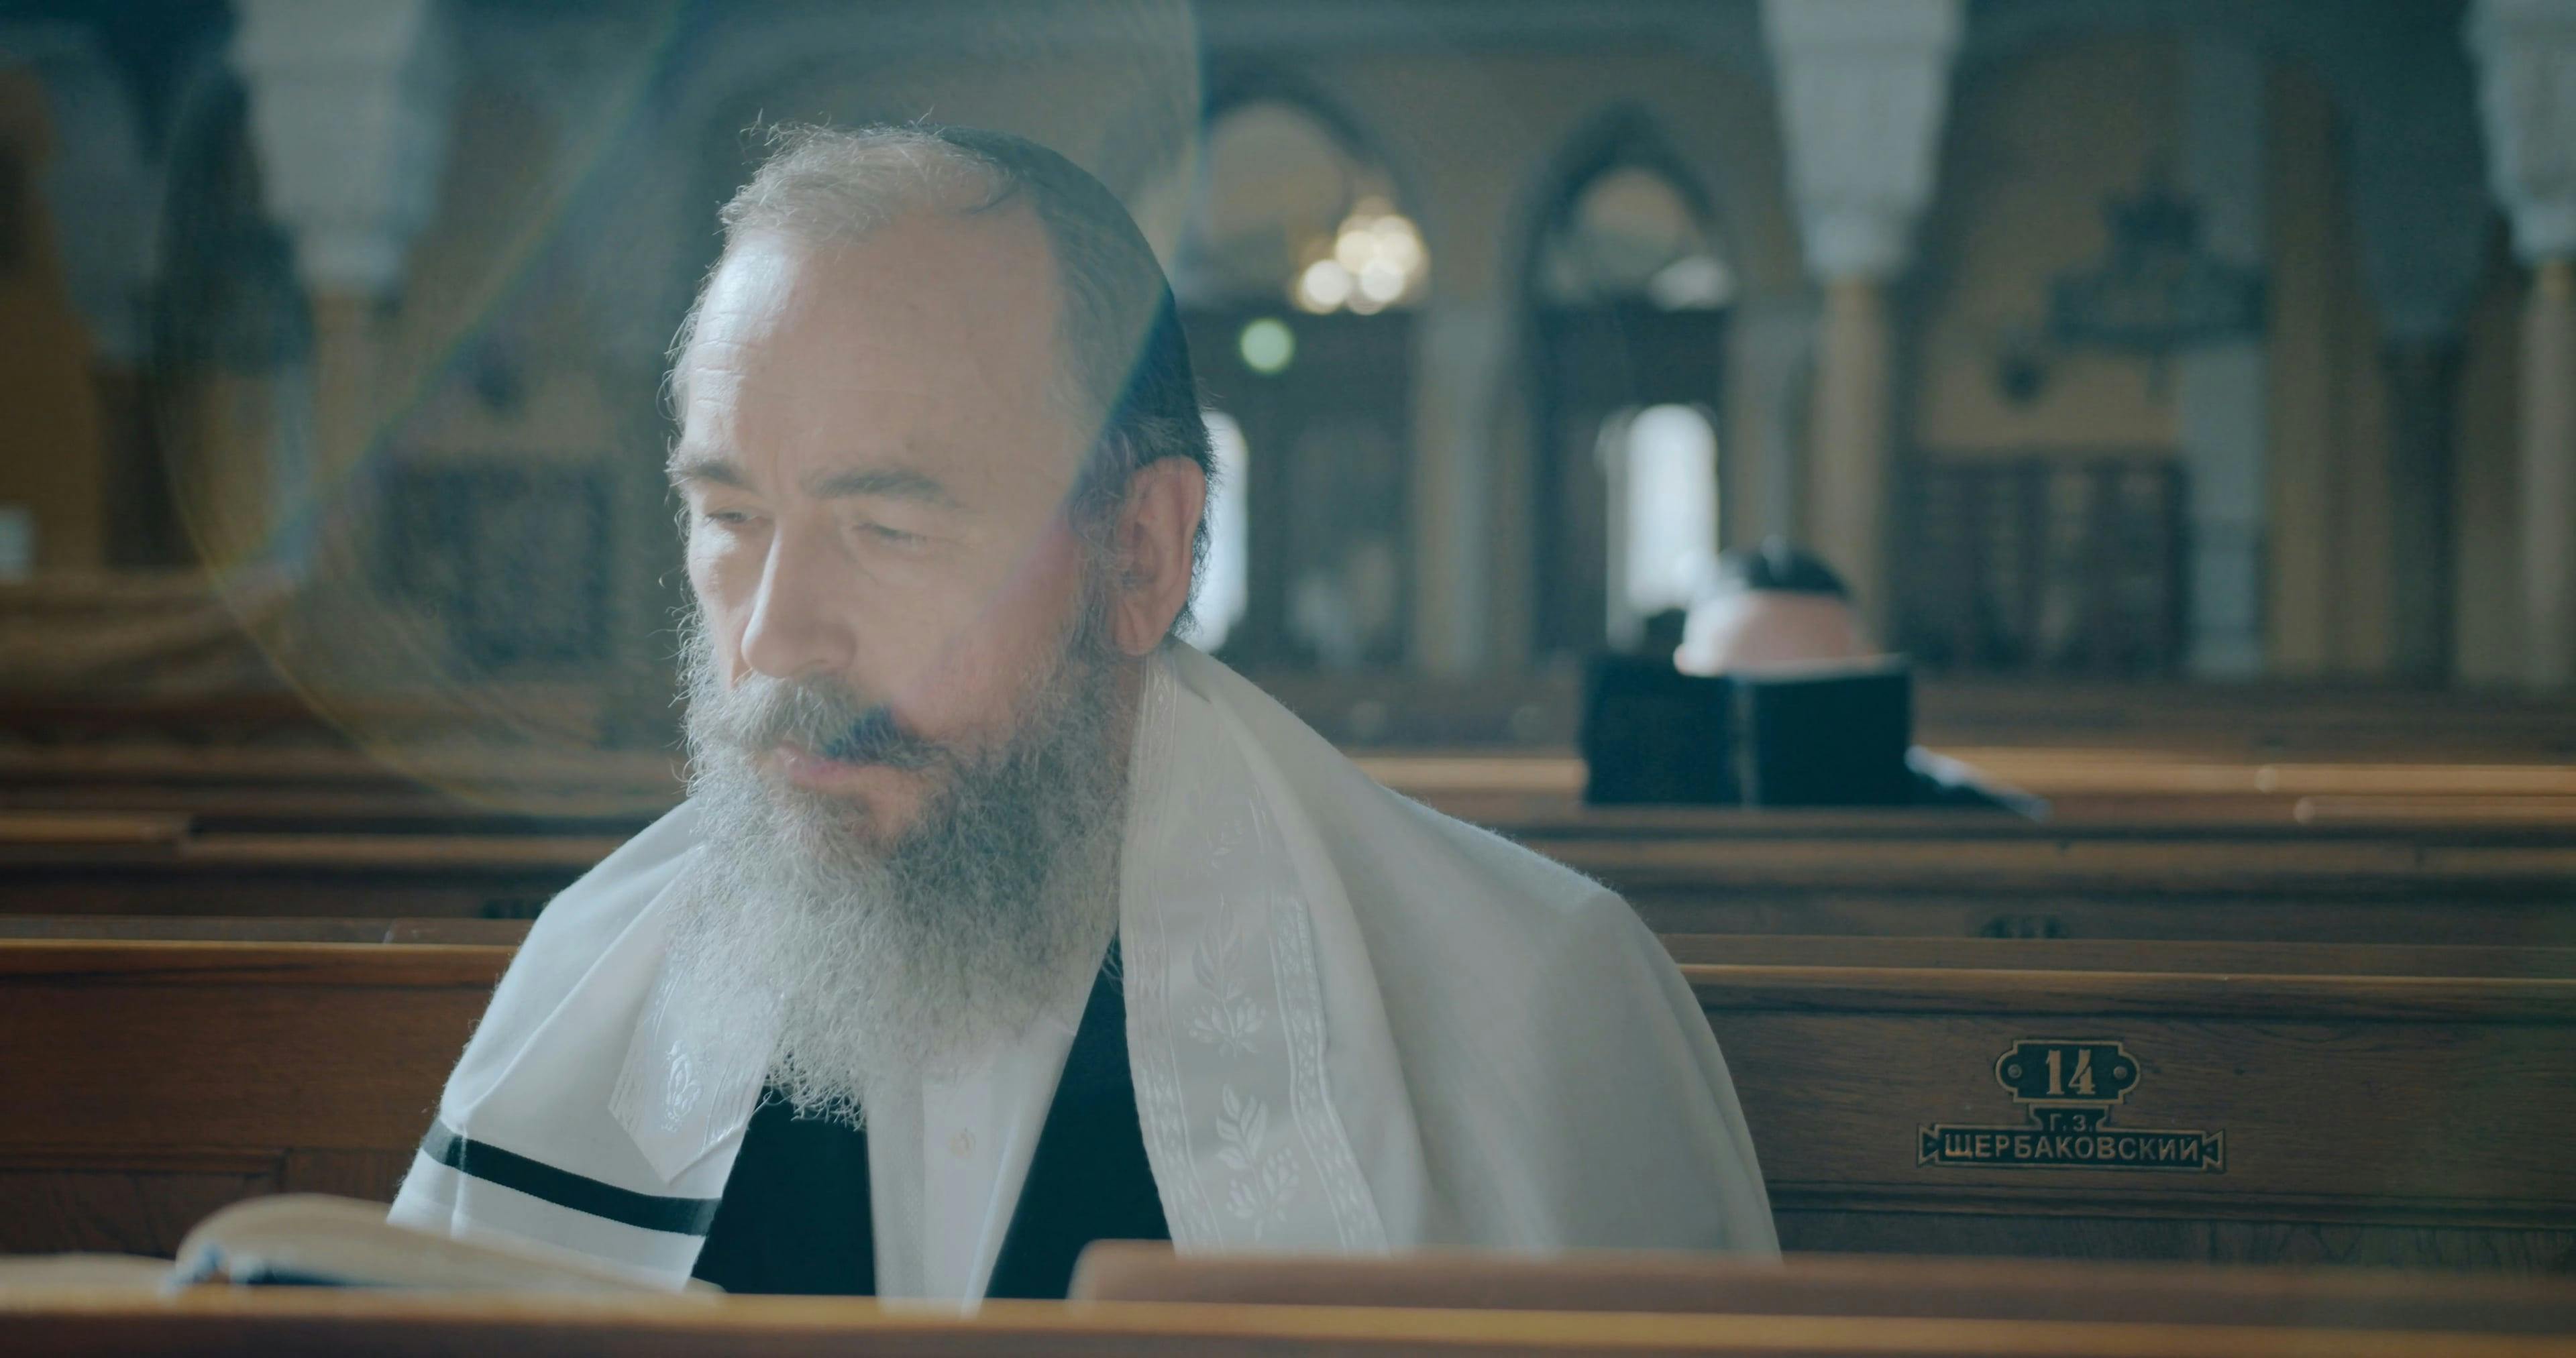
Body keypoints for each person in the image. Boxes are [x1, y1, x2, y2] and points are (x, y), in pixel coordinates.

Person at [389, 125, 1774, 1300]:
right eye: (731, 516)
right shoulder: (589, 982)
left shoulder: (1525, 1009)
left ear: (1142, 553)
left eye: (884, 527)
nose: (771, 638)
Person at [1674, 541, 2047, 817]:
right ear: (1684, 672)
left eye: (1811, 683)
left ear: (1870, 669)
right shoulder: (1627, 808)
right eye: (1737, 682)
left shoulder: (1973, 816)